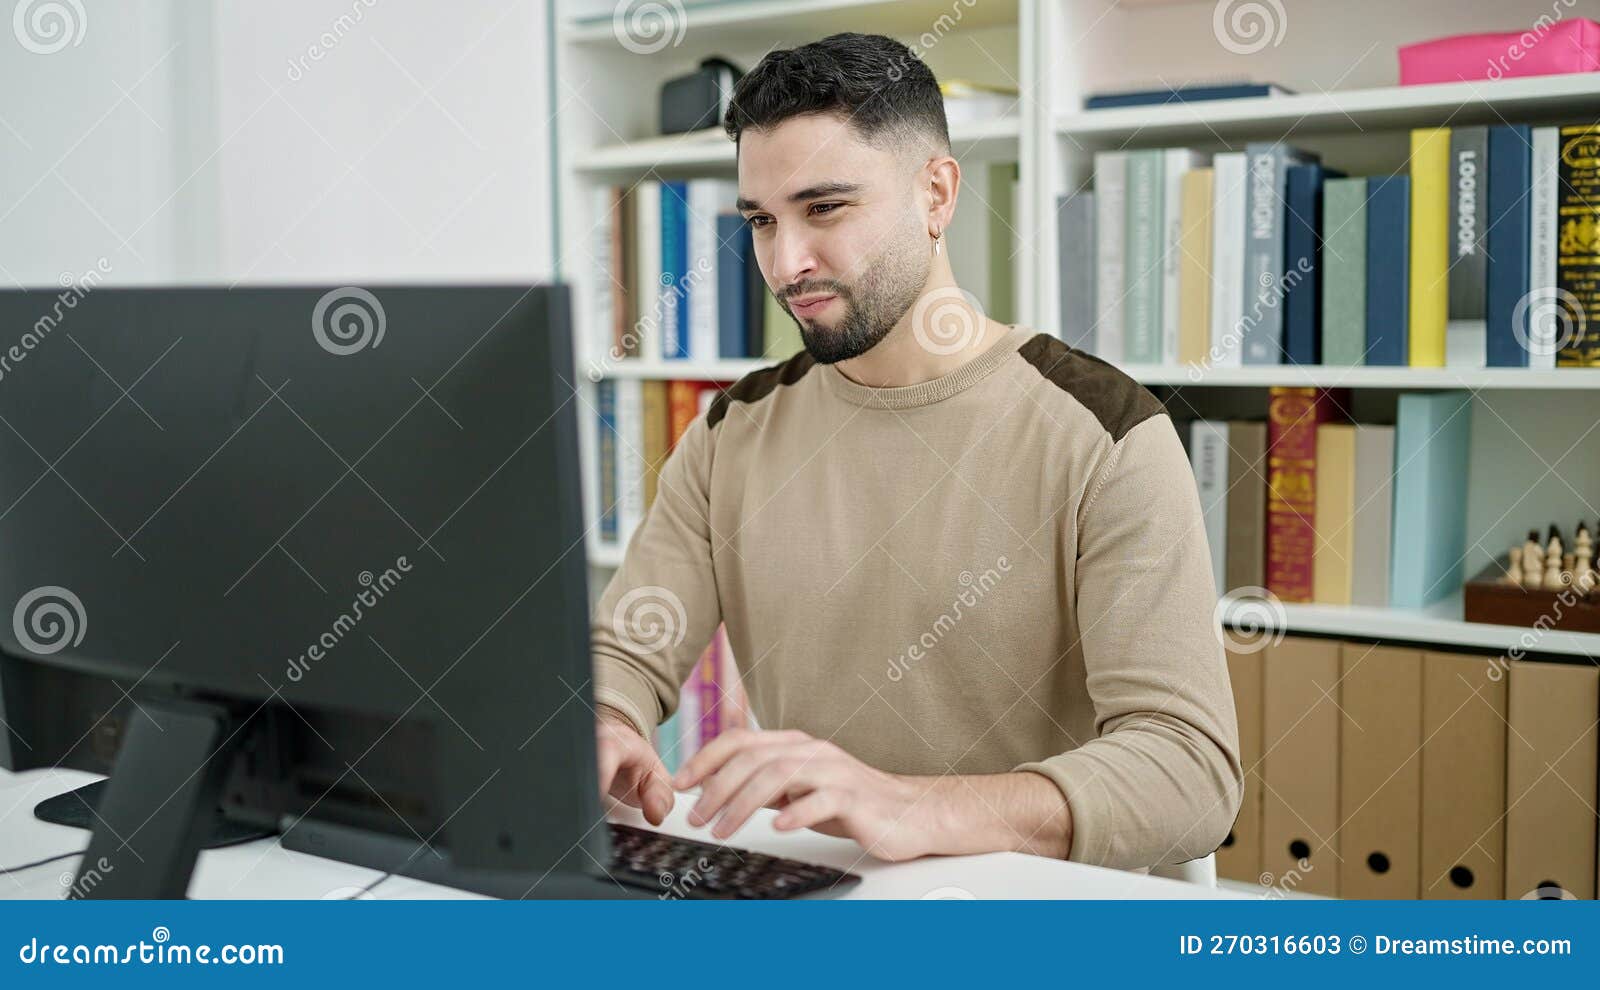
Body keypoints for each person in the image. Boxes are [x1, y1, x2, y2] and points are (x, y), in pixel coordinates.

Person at [591, 32, 1241, 870]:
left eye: (824, 209)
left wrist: (915, 805)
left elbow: (1190, 774)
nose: (787, 263)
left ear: (936, 193)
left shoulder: (1106, 430)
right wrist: (609, 724)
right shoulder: (732, 431)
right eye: (761, 221)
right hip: (824, 895)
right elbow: (627, 650)